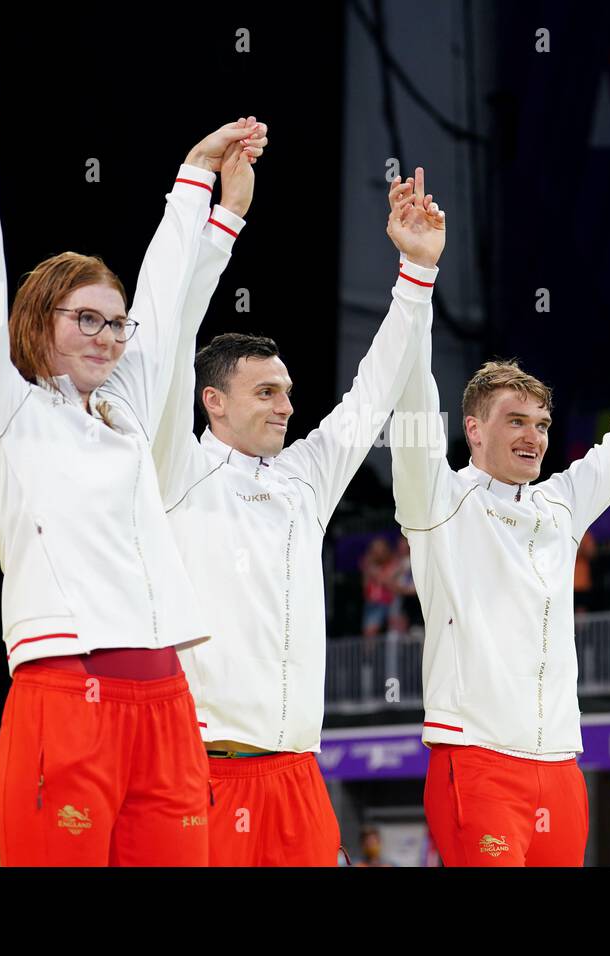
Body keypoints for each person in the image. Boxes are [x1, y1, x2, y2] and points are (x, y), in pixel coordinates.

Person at [0, 0, 266, 865]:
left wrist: (199, 188)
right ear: (39, 324)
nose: (110, 337)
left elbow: (170, 304)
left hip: (169, 701)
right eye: (88, 319)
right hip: (67, 695)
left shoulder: (124, 410)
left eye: (115, 322)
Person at [151, 170, 446, 865]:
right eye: (265, 392)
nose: (286, 405)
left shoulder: (303, 478)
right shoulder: (174, 470)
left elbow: (371, 394)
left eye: (286, 391)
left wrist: (417, 271)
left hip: (299, 776)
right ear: (213, 401)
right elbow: (168, 341)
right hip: (205, 774)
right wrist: (222, 221)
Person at [393, 268, 610, 866]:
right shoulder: (438, 501)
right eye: (516, 422)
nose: (534, 437)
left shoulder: (561, 504)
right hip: (477, 758)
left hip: (559, 766)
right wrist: (418, 278)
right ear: (473, 429)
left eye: (543, 425)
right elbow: (414, 399)